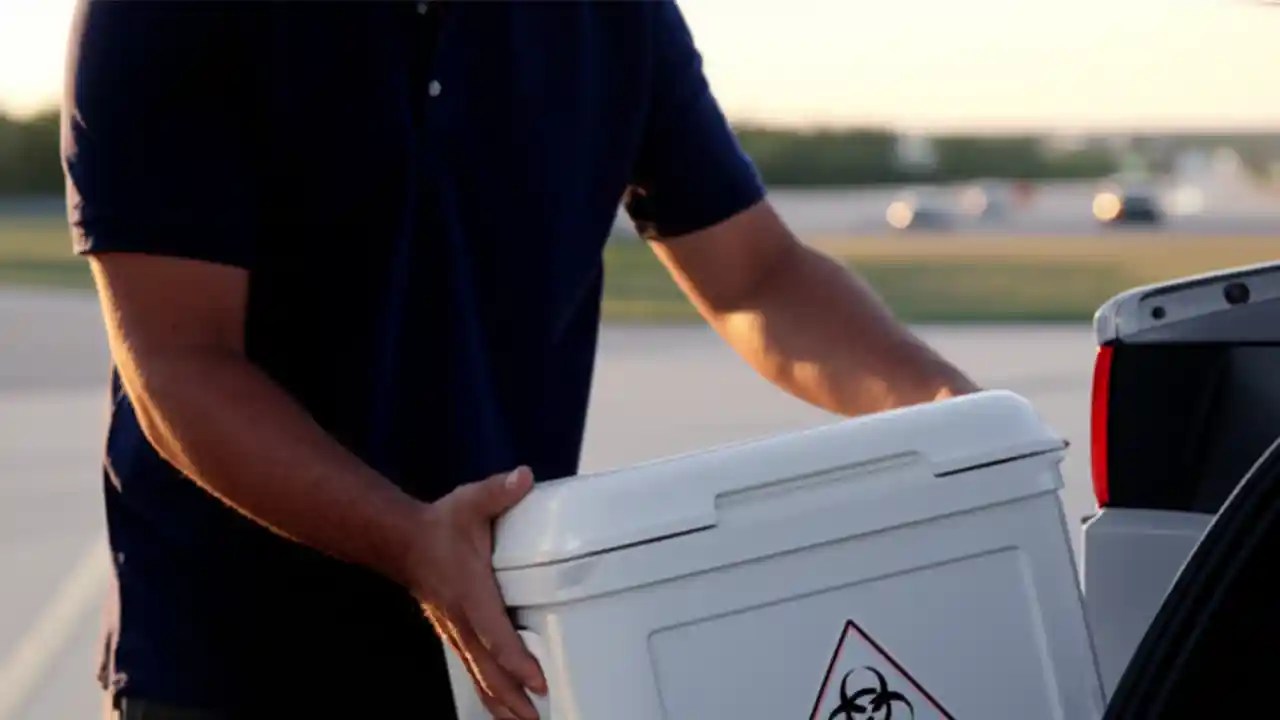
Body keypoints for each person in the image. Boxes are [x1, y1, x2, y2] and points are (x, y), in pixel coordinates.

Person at [62, 1, 978, 718]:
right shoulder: (166, 9)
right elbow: (180, 361)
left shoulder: (612, 16)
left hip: (508, 659)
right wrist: (408, 537)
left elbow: (758, 280)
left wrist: (957, 417)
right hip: (232, 669)